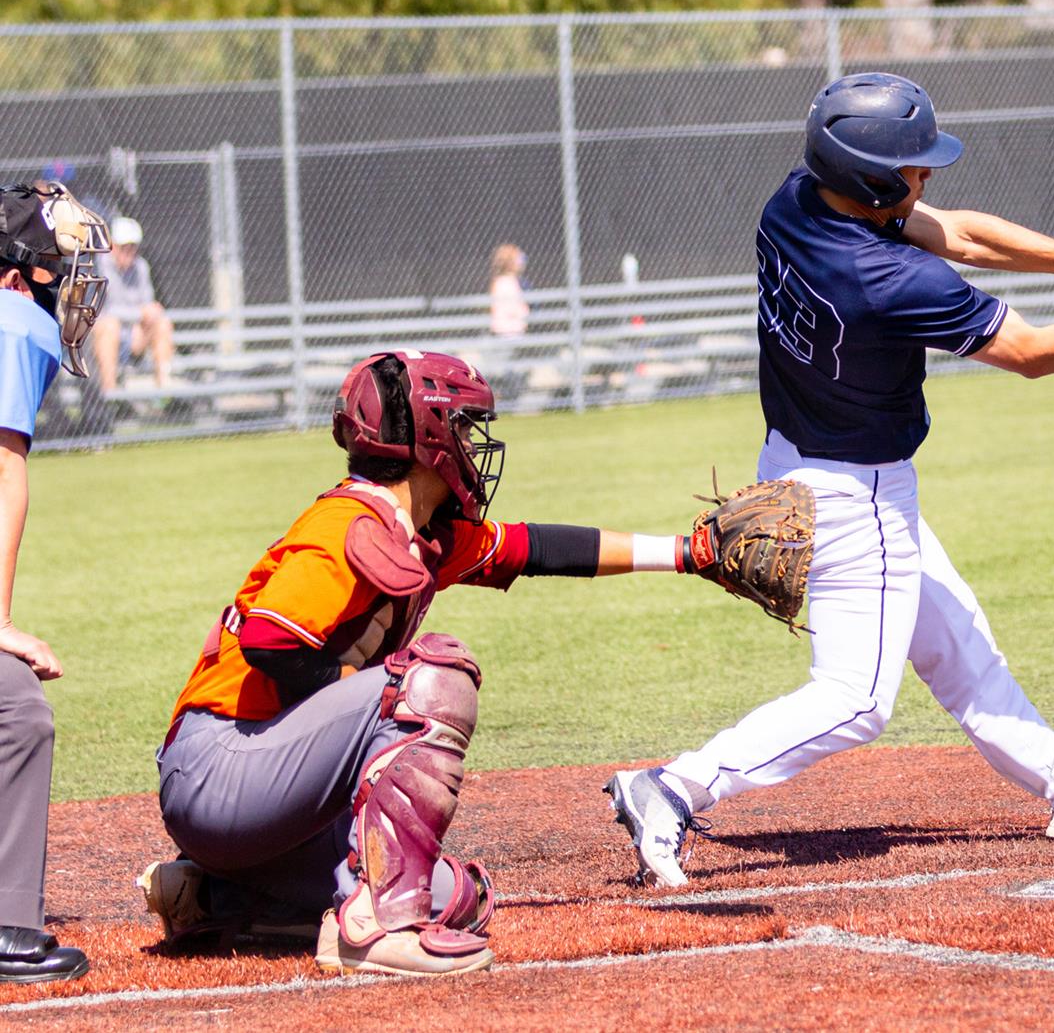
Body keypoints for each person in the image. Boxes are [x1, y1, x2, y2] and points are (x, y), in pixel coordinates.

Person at [603, 71, 1054, 890]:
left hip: (796, 464)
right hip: (857, 496)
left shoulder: (794, 202)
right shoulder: (888, 279)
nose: (925, 174)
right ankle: (675, 786)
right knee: (857, 699)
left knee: (960, 645)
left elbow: (955, 231)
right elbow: (1031, 353)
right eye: (911, 166)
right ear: (870, 179)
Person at [140, 350, 710, 976]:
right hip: (220, 768)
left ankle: (215, 896)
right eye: (463, 426)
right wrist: (368, 689)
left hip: (266, 801)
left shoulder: (416, 530)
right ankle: (374, 928)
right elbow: (269, 641)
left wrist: (689, 553)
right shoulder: (347, 522)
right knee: (429, 677)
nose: (473, 444)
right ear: (430, 435)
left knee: (459, 899)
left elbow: (536, 548)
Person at [0, 181, 110, 984]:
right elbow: (2, 473)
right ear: (14, 276)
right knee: (17, 711)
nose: (68, 288)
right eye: (53, 268)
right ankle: (7, 929)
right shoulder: (12, 320)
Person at [91, 216, 176, 392]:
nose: (129, 251)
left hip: (135, 334)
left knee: (162, 323)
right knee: (109, 326)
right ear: (112, 245)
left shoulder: (141, 266)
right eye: (124, 247)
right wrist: (139, 316)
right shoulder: (100, 265)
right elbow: (105, 310)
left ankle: (164, 390)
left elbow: (148, 305)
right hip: (104, 335)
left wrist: (141, 321)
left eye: (133, 246)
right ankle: (110, 395)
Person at [487, 244, 529, 339]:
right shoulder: (505, 282)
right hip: (509, 331)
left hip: (512, 329)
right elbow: (512, 308)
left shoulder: (510, 280)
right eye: (518, 260)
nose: (521, 263)